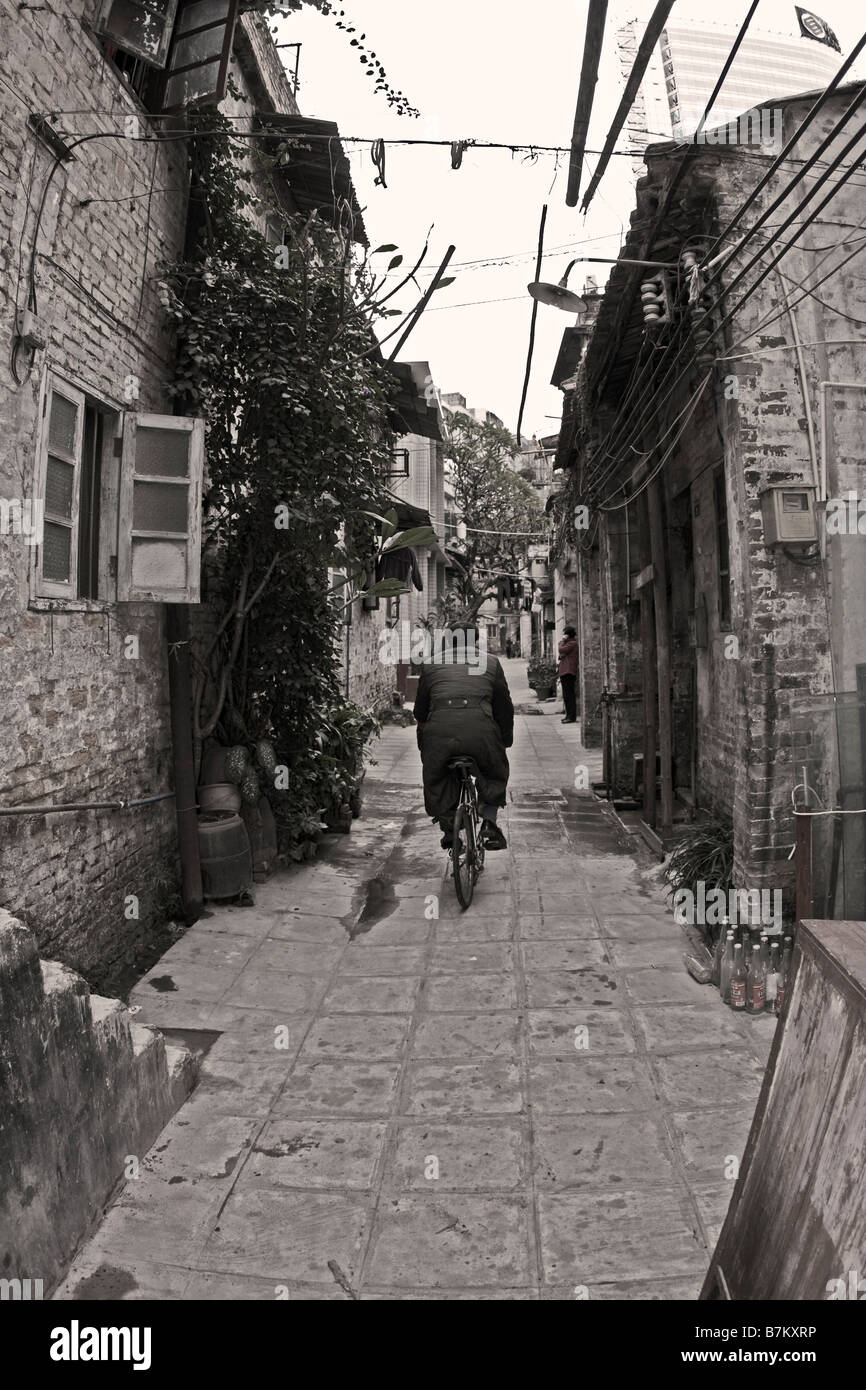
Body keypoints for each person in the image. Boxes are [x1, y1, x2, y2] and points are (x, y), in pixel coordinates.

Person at [414, 625, 513, 851]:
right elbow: (504, 708)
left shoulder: (431, 664)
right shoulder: (491, 662)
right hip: (481, 733)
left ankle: (450, 830)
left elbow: (420, 713)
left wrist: (425, 747)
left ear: (449, 641)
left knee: (437, 775)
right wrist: (504, 740)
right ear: (476, 640)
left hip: (440, 735)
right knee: (493, 772)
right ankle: (488, 822)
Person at [558, 625, 578, 724]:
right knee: (566, 696)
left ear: (568, 635)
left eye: (565, 634)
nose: (563, 636)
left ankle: (571, 717)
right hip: (564, 672)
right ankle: (568, 715)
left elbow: (561, 650)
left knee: (569, 696)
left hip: (568, 672)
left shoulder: (572, 643)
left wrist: (562, 640)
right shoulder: (568, 643)